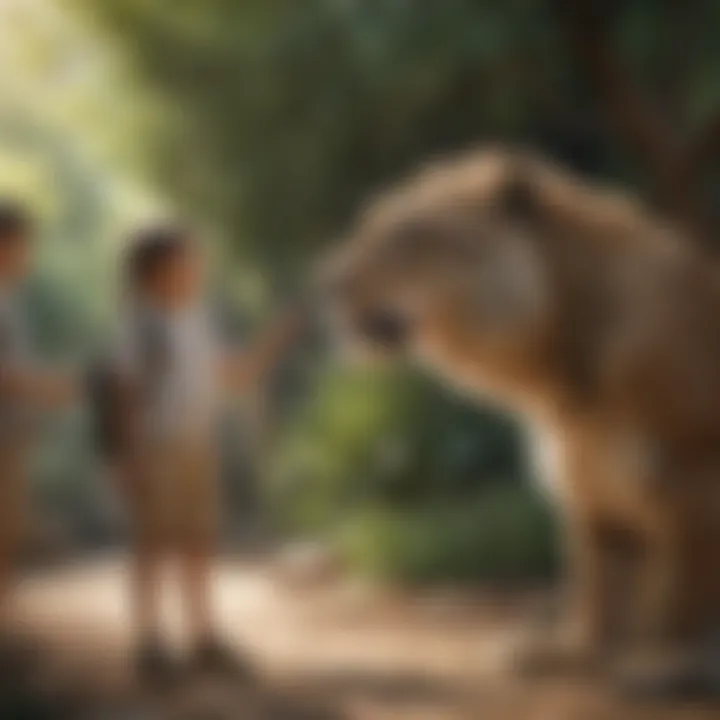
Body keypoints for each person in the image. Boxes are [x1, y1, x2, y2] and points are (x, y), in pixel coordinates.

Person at [108, 224, 305, 685]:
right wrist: (129, 458)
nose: (197, 268)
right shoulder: (142, 325)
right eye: (186, 260)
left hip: (198, 446)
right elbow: (127, 396)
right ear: (155, 272)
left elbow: (234, 376)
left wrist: (275, 339)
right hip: (157, 448)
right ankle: (148, 642)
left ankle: (203, 637)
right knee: (153, 545)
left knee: (200, 541)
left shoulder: (195, 319)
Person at [0, 201, 75, 623]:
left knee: (8, 534)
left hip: (11, 437)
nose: (29, 254)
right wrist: (57, 386)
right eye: (24, 245)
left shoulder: (10, 302)